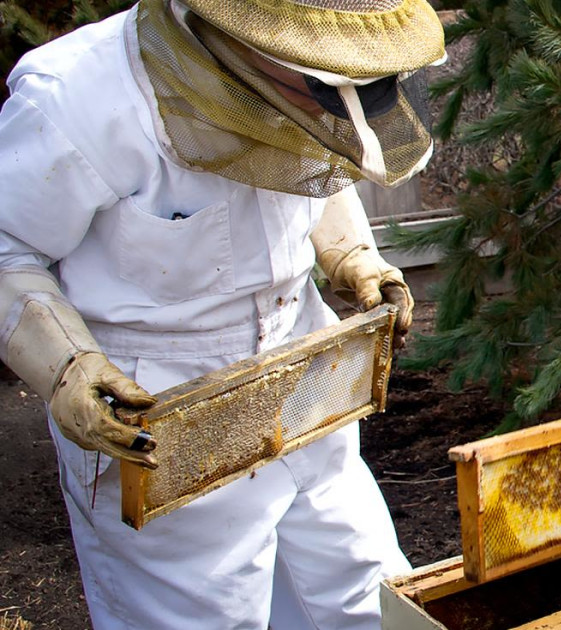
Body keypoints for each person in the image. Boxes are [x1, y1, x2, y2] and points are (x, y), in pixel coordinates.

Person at [0, 0, 444, 627]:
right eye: (322, 77)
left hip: (305, 378)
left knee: (368, 596)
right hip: (164, 411)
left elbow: (320, 153)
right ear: (240, 38)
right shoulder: (76, 98)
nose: (336, 100)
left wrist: (352, 256)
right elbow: (6, 247)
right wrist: (64, 366)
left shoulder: (300, 89)